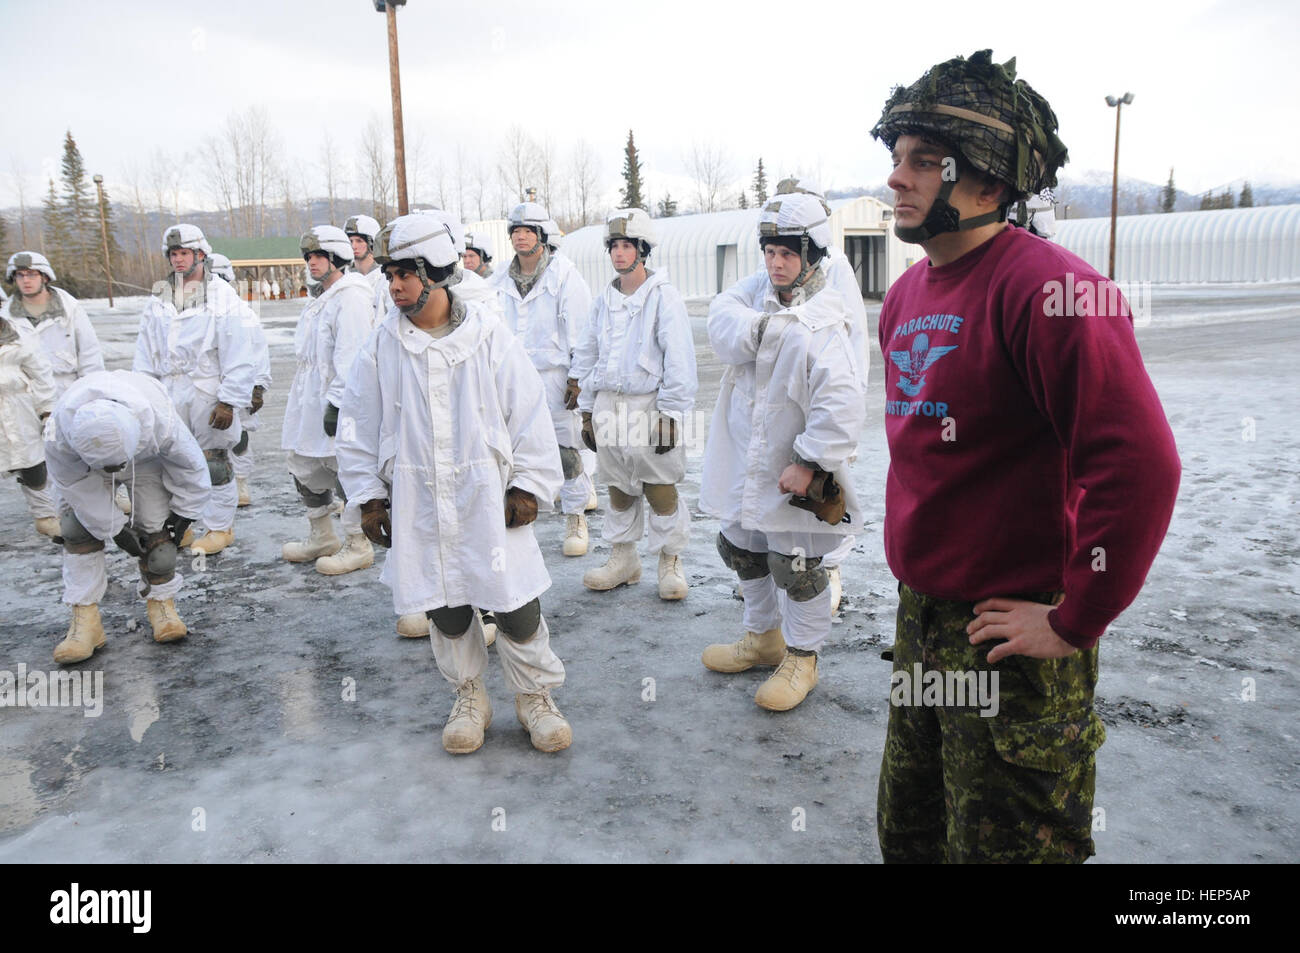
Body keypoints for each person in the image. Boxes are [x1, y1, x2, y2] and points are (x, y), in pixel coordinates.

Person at [869, 50, 1181, 863]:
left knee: (1011, 850)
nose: (897, 178)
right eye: (895, 157)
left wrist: (1078, 617)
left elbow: (1139, 466)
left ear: (988, 185)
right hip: (924, 618)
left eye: (923, 161)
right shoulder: (904, 295)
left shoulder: (1051, 293)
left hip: (1013, 633)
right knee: (913, 834)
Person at [338, 213, 572, 755]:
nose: (393, 285)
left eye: (405, 273)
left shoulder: (489, 338)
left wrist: (530, 486)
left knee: (513, 600)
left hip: (488, 496)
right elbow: (356, 428)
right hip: (418, 499)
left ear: (437, 274)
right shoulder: (380, 348)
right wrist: (369, 497)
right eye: (388, 275)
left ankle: (535, 696)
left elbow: (529, 412)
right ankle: (470, 695)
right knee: (442, 601)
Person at [699, 194, 866, 712]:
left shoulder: (826, 317)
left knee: (797, 563)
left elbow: (841, 400)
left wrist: (811, 461)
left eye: (787, 252)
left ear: (813, 253)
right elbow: (721, 320)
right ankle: (762, 638)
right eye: (769, 250)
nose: (775, 262)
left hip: (791, 464)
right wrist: (766, 328)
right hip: (747, 456)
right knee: (742, 548)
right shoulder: (760, 296)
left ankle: (802, 658)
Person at [570, 208, 697, 600]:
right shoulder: (602, 301)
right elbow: (588, 354)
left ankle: (669, 561)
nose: (619, 253)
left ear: (643, 250)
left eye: (627, 246)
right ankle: (624, 559)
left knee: (659, 486)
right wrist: (588, 410)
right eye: (614, 246)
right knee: (618, 486)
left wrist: (671, 414)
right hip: (610, 402)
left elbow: (679, 357)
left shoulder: (663, 298)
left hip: (649, 404)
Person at [44, 369, 212, 663]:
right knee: (77, 529)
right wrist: (116, 529)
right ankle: (85, 621)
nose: (113, 471)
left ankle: (162, 606)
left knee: (159, 543)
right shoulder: (61, 431)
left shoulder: (159, 419)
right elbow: (73, 484)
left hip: (145, 460)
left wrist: (183, 515)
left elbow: (191, 466)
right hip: (83, 469)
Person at [134, 224, 258, 555]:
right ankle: (183, 525)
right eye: (173, 254)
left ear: (200, 255)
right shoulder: (159, 298)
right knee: (172, 461)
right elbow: (145, 351)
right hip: (168, 390)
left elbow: (238, 353)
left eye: (184, 253)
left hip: (206, 390)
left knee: (214, 461)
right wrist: (143, 392)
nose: (177, 260)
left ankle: (220, 527)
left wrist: (230, 400)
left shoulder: (221, 297)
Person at [489, 202, 593, 557]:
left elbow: (581, 330)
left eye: (527, 231)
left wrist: (578, 378)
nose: (520, 237)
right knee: (515, 451)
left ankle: (576, 516)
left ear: (542, 236)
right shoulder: (499, 278)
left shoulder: (564, 275)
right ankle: (523, 517)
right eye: (515, 231)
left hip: (553, 376)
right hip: (512, 378)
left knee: (566, 452)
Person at [280, 225, 375, 576]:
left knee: (345, 469)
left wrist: (337, 403)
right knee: (303, 464)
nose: (312, 262)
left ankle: (358, 543)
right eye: (308, 256)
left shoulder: (352, 297)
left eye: (319, 255)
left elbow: (352, 356)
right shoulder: (319, 299)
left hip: (336, 399)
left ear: (338, 258)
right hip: (308, 398)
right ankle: (322, 536)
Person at [4, 251, 112, 527]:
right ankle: (52, 513)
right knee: (38, 457)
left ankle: (102, 499)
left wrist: (94, 392)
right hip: (28, 395)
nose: (26, 281)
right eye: (20, 275)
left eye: (31, 274)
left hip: (69, 386)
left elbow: (88, 352)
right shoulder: (7, 316)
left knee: (84, 449)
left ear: (44, 276)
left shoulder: (68, 307)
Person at [207, 252, 270, 508]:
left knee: (239, 438)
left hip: (239, 384)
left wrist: (258, 386)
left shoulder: (242, 312)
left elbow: (258, 350)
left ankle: (241, 482)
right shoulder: (199, 312)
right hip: (210, 387)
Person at [1, 308, 58, 537]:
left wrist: (46, 410)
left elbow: (41, 373)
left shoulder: (17, 337)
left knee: (33, 464)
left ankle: (45, 516)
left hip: (19, 408)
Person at [345, 213, 385, 296]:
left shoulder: (384, 279)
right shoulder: (344, 278)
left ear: (372, 244)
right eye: (350, 241)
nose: (353, 246)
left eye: (359, 241)